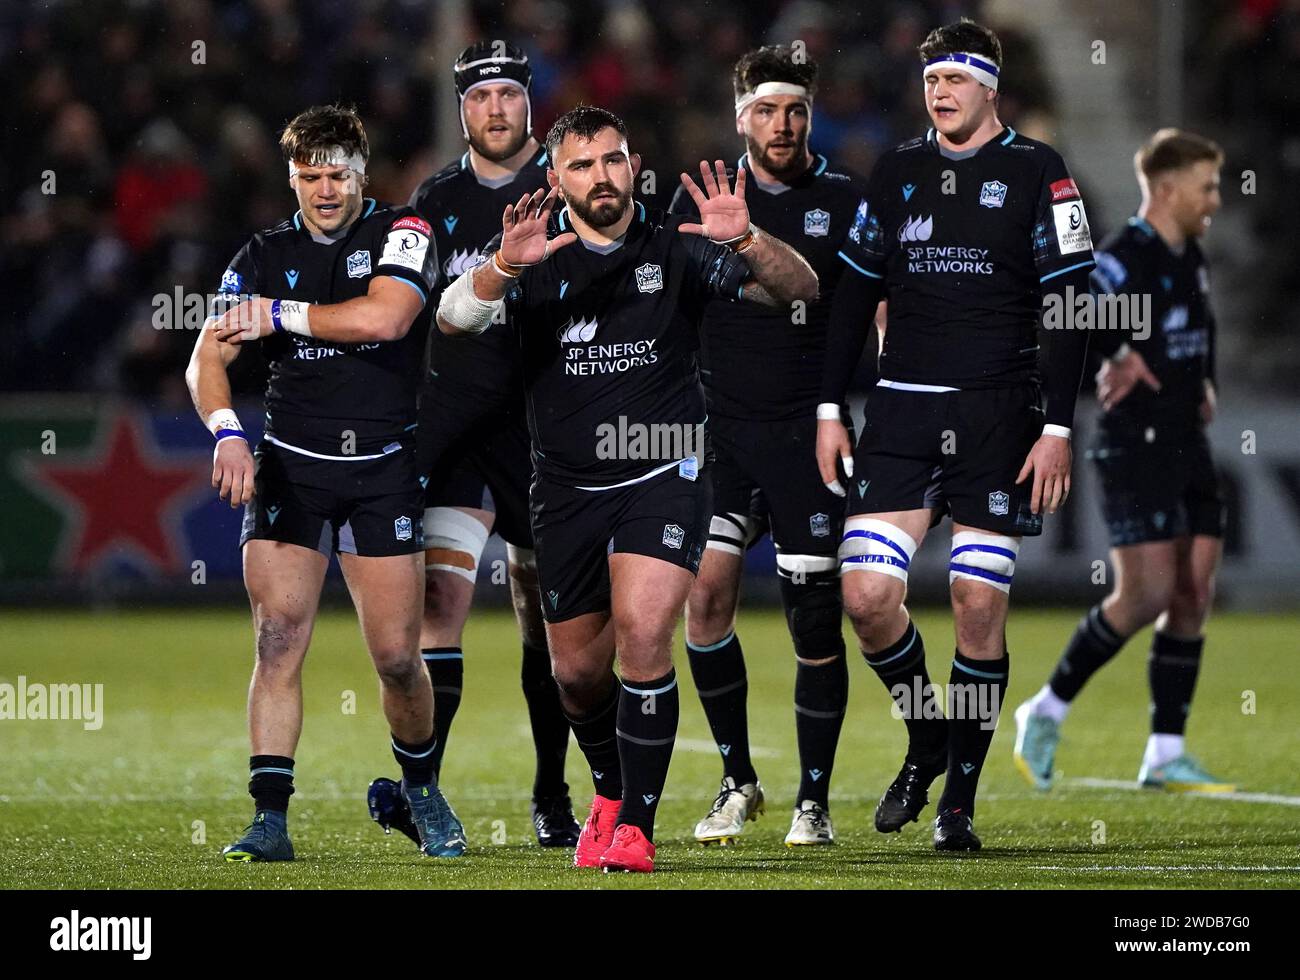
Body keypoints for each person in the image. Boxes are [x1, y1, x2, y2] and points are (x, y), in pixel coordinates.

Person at [437, 105, 818, 872]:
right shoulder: (532, 252)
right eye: (581, 166)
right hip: (566, 488)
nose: (601, 177)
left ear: (631, 163)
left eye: (611, 160)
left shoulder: (677, 244)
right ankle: (610, 791)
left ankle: (636, 829)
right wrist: (503, 266)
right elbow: (453, 318)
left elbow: (799, 291)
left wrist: (745, 237)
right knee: (576, 675)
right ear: (556, 180)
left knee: (645, 633)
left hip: (664, 472)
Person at [817, 19, 1094, 850]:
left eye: (956, 79)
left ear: (990, 88)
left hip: (998, 415)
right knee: (865, 597)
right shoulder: (896, 171)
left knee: (978, 607)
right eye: (932, 79)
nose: (940, 92)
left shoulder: (1039, 172)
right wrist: (830, 410)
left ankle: (959, 804)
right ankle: (927, 732)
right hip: (900, 410)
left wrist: (1055, 427)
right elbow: (852, 294)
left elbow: (1071, 308)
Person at [188, 104, 465, 860]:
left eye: (338, 174)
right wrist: (228, 434)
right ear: (291, 179)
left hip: (381, 469)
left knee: (397, 659)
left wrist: (278, 313)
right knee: (277, 641)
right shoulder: (261, 250)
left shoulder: (403, 232)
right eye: (309, 177)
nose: (325, 190)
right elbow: (205, 357)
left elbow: (387, 319)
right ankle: (269, 819)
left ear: (361, 172)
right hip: (291, 466)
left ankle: (422, 791)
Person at [365, 41, 580, 850]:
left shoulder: (563, 187)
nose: (494, 109)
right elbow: (405, 306)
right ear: (462, 110)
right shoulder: (436, 197)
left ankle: (552, 794)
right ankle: (427, 794)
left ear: (530, 103)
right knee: (439, 610)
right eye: (479, 97)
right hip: (455, 431)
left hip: (542, 431)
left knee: (545, 624)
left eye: (507, 94)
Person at [668, 45, 867, 847]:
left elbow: (841, 298)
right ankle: (737, 780)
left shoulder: (848, 199)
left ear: (809, 116)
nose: (781, 125)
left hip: (806, 431)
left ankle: (812, 800)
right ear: (740, 115)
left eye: (795, 112)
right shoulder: (703, 197)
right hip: (722, 430)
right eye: (766, 110)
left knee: (812, 622)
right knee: (705, 598)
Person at [1013, 129, 1232, 793]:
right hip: (1133, 443)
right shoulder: (1123, 257)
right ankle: (1043, 710)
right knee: (1146, 595)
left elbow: (1203, 321)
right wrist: (1115, 351)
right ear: (1168, 189)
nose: (1216, 200)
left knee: (1194, 591)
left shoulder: (1187, 252)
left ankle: (1164, 752)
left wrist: (1208, 378)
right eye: (1207, 186)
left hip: (1185, 439)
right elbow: (1069, 312)